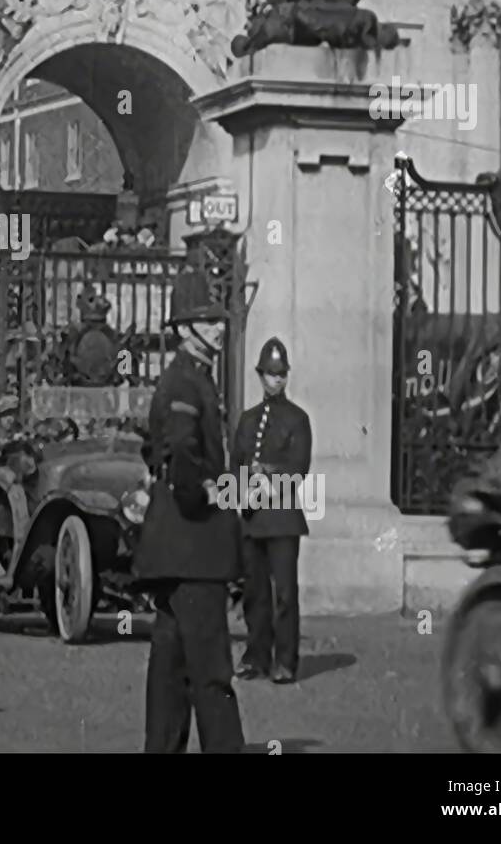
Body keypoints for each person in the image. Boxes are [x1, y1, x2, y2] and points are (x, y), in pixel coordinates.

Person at [132, 270, 245, 754]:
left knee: (171, 672)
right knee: (211, 673)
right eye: (205, 320)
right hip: (195, 545)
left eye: (218, 319)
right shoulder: (185, 381)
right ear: (184, 329)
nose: (218, 328)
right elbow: (181, 453)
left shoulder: (191, 377)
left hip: (174, 550)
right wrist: (205, 496)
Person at [232, 337, 312, 684]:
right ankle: (256, 657)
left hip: (282, 518)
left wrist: (267, 481)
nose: (276, 380)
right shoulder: (247, 420)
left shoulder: (298, 419)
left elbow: (298, 467)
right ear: (259, 375)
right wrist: (238, 496)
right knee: (254, 593)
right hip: (252, 518)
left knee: (284, 593)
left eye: (281, 375)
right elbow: (234, 463)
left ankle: (286, 661)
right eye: (270, 374)